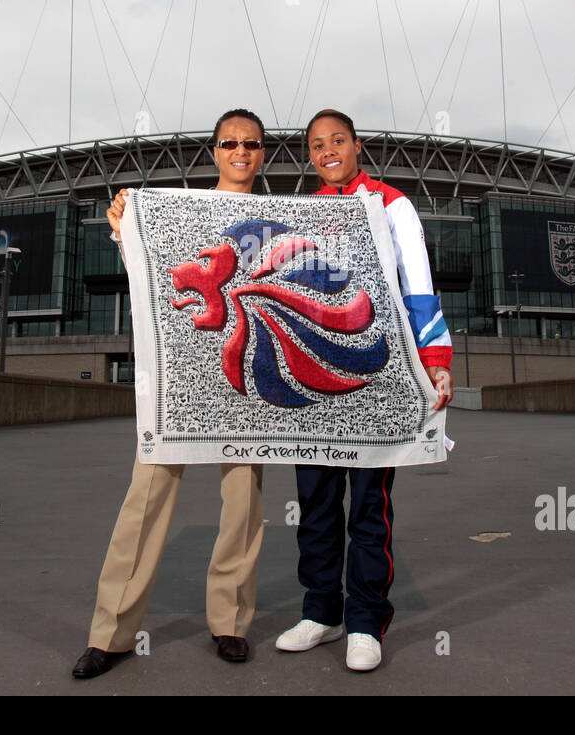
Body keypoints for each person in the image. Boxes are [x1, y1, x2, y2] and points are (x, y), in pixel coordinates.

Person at [72, 109, 268, 679]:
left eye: (250, 143)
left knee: (244, 504)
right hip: (180, 377)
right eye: (229, 143)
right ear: (214, 151)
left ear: (262, 153)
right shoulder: (181, 210)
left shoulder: (275, 220)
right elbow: (153, 271)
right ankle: (110, 633)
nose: (240, 151)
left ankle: (231, 623)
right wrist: (123, 228)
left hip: (243, 375)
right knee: (147, 497)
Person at [276, 108, 453, 672]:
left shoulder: (392, 203)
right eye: (316, 144)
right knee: (316, 502)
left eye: (337, 140)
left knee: (369, 507)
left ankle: (365, 621)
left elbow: (418, 286)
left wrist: (436, 360)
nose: (327, 150)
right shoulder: (300, 212)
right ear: (309, 155)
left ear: (357, 146)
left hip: (378, 372)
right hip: (316, 374)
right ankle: (321, 612)